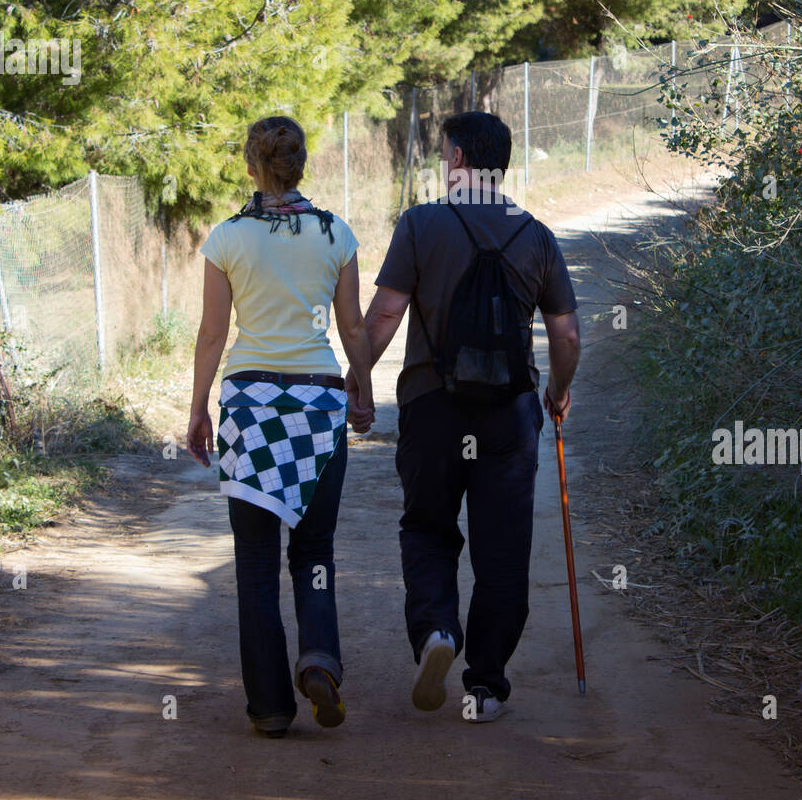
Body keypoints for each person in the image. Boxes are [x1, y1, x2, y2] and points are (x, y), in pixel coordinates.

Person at [346, 111, 581, 722]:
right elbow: (568, 335)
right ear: (500, 164)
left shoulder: (421, 224)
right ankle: (485, 687)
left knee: (427, 527)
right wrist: (557, 391)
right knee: (503, 550)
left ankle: (436, 634)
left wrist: (360, 382)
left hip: (432, 409)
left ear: (454, 160)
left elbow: (383, 318)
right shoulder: (535, 234)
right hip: (509, 415)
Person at [187, 116, 375, 738]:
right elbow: (353, 331)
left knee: (256, 560)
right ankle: (318, 657)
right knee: (314, 551)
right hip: (318, 408)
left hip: (249, 407)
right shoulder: (334, 233)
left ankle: (269, 706)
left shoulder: (227, 239)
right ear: (300, 165)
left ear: (251, 166)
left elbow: (214, 333)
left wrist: (198, 409)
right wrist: (363, 393)